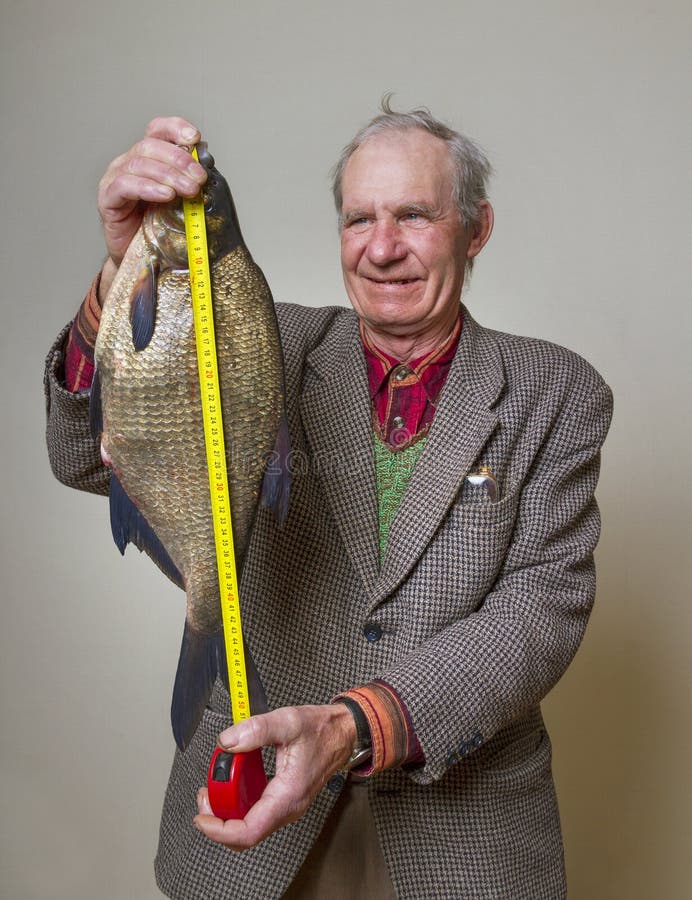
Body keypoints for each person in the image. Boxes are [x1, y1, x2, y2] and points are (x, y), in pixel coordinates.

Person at [45, 103, 613, 899]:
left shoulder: (557, 392)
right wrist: (121, 273)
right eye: (359, 219)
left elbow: (540, 612)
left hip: (464, 838)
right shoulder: (249, 334)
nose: (382, 249)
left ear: (476, 229)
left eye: (414, 215)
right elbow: (80, 454)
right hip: (253, 830)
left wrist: (353, 724)